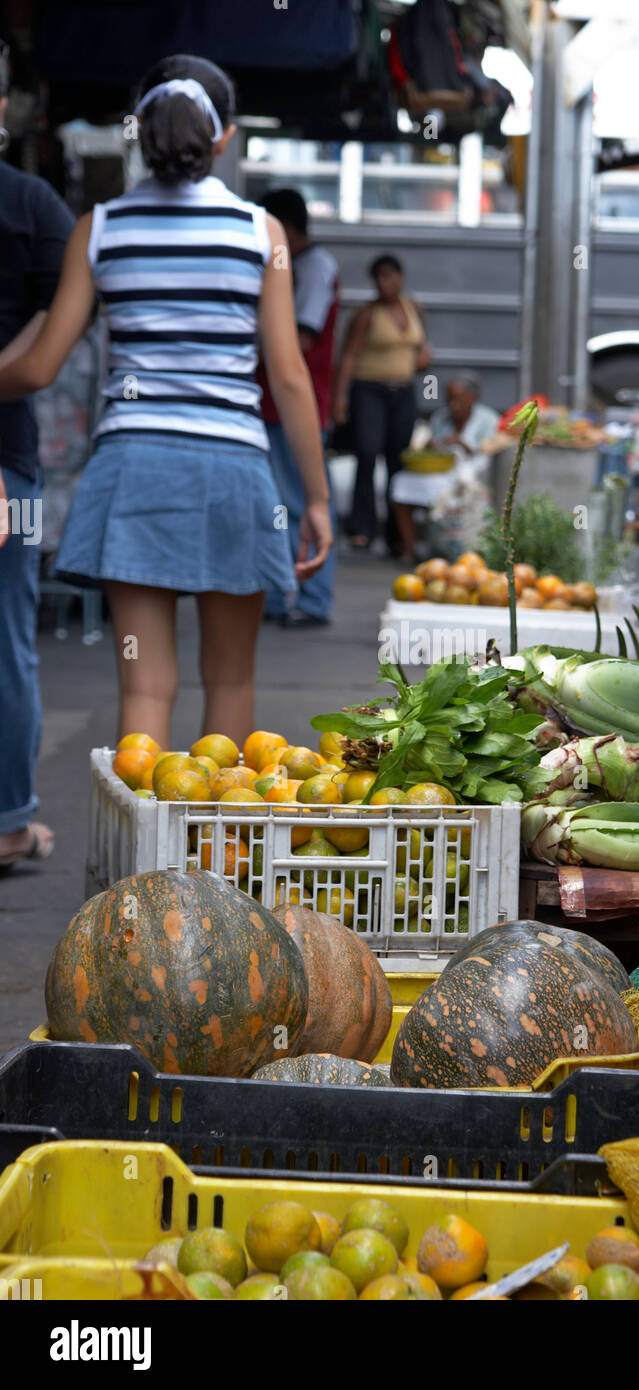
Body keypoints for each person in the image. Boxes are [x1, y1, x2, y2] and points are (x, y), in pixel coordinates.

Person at [0, 54, 332, 751]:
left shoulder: (101, 229)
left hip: (135, 469)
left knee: (144, 686)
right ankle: (215, 853)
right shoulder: (259, 234)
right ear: (224, 137)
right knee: (232, 682)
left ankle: (135, 860)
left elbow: (37, 367)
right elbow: (290, 377)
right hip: (234, 473)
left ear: (138, 130)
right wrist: (318, 499)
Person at [0, 37, 74, 870]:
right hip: (9, 464)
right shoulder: (35, 208)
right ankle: (9, 820)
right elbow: (54, 339)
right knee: (7, 639)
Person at [258, 187, 339, 627]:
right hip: (271, 404)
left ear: (285, 227)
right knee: (278, 504)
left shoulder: (314, 267)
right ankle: (276, 595)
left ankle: (313, 599)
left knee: (306, 502)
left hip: (298, 406)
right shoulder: (290, 265)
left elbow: (298, 342)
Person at [333, 253, 430, 553]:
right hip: (369, 389)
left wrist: (422, 360)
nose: (384, 283)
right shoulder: (366, 315)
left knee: (397, 458)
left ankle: (397, 533)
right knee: (367, 451)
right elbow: (348, 354)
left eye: (389, 276)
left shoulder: (414, 308)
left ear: (400, 278)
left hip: (402, 390)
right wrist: (340, 397)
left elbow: (422, 346)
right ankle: (362, 527)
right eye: (379, 277)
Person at [390, 372, 499, 560]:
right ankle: (410, 549)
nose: (453, 406)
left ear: (472, 398)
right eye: (450, 400)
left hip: (473, 476)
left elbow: (490, 453)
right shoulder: (440, 418)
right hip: (440, 472)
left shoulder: (489, 419)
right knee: (401, 483)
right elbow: (428, 447)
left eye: (459, 400)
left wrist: (463, 444)